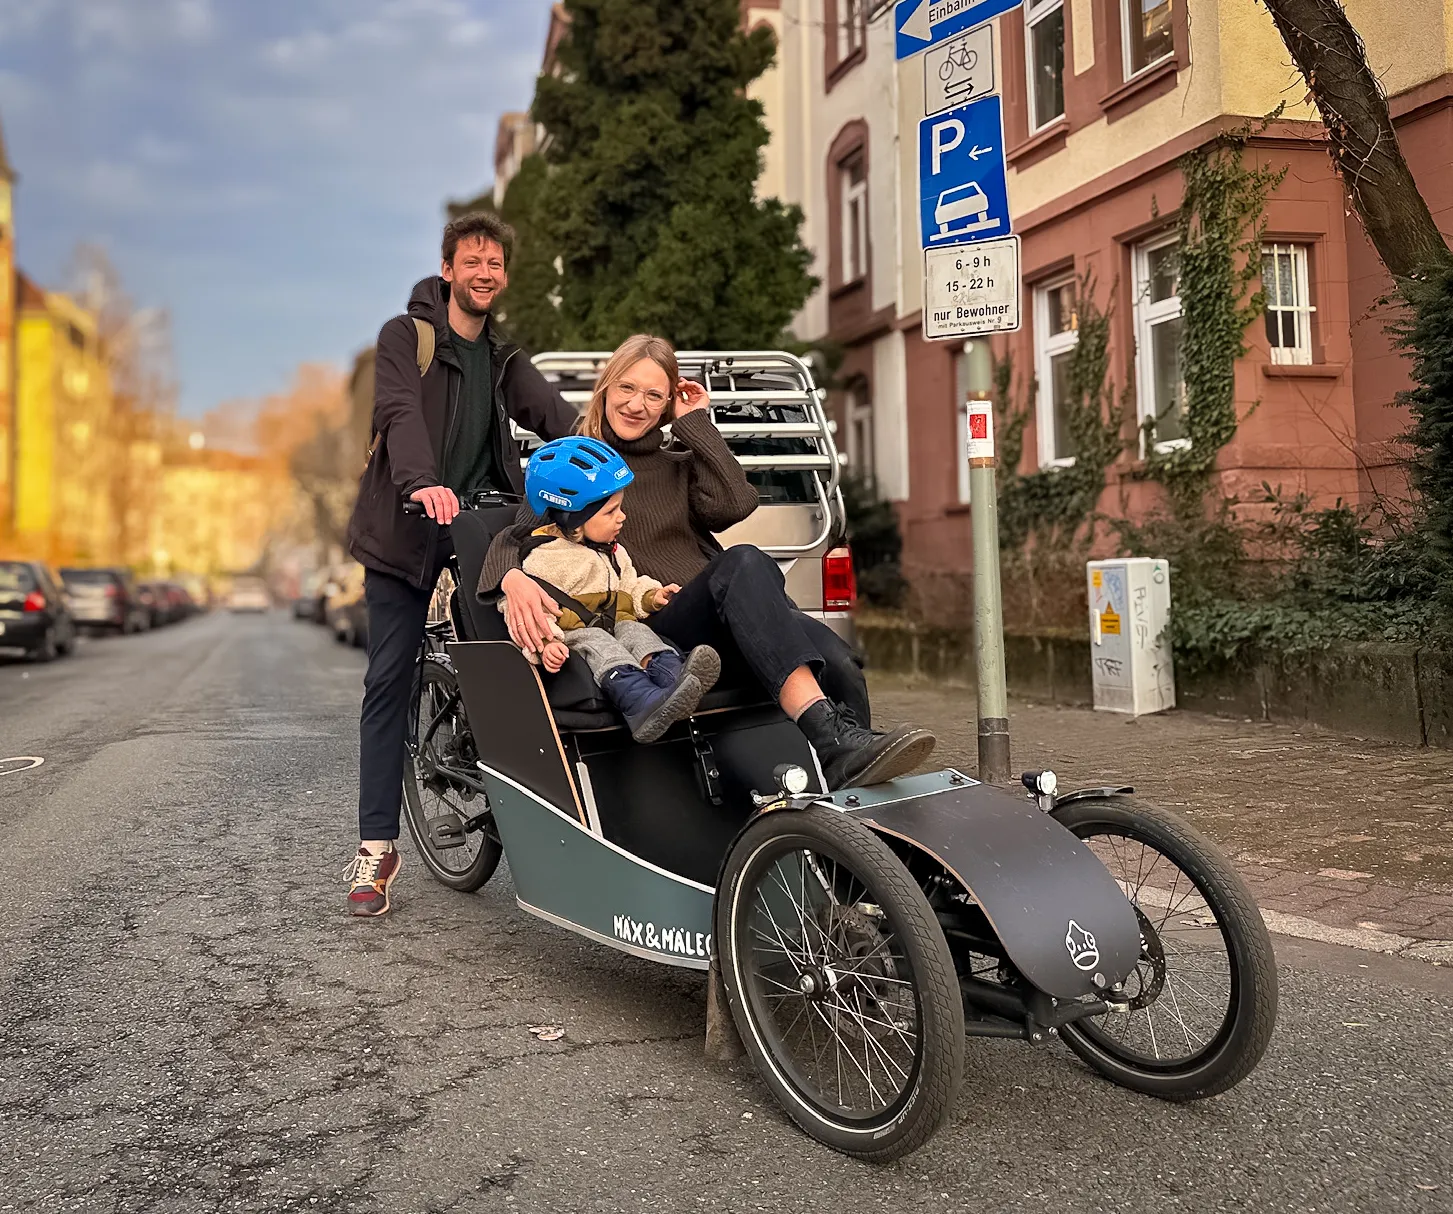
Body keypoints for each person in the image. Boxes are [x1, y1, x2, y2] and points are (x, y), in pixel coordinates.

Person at [483, 334, 937, 791]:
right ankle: (831, 741)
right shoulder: (577, 465)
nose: (637, 405)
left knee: (839, 660)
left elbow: (736, 503)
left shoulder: (679, 464)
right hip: (653, 623)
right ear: (606, 387)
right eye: (627, 387)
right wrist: (511, 578)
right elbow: (514, 536)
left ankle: (854, 775)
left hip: (721, 612)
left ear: (667, 404)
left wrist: (695, 423)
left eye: (654, 395)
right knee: (743, 560)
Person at [343, 211, 577, 917]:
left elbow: (557, 417)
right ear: (448, 270)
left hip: (476, 524)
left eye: (495, 264)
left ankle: (532, 797)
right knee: (388, 678)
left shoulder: (503, 358)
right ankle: (376, 848)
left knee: (516, 655)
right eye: (472, 261)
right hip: (405, 525)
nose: (484, 273)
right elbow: (399, 412)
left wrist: (618, 450)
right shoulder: (405, 337)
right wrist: (422, 481)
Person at [509, 436, 722, 743]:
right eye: (610, 512)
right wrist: (545, 644)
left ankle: (675, 680)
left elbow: (628, 584)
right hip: (574, 635)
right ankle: (639, 702)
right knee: (599, 642)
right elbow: (528, 613)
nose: (622, 517)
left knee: (635, 631)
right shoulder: (543, 559)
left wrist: (650, 596)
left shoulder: (611, 551)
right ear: (575, 521)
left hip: (615, 624)